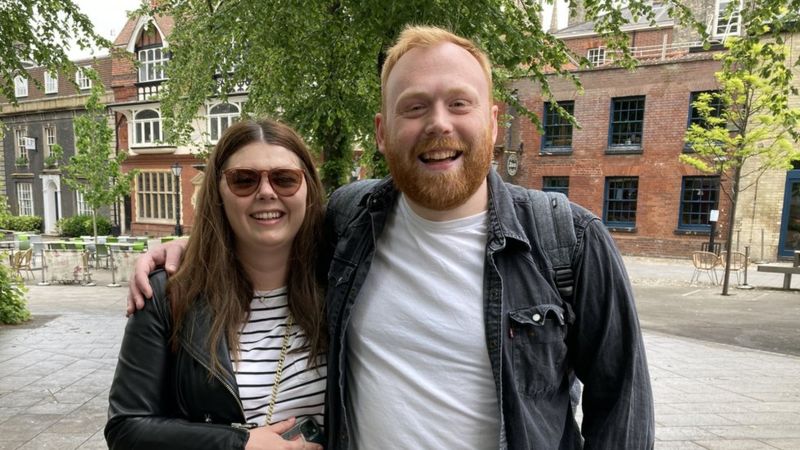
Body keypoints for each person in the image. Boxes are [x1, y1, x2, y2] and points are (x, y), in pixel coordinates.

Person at [128, 26, 655, 449]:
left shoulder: (569, 240)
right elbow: (267, 227)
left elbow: (622, 411)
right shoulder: (351, 219)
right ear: (382, 132)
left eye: (460, 103)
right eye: (414, 107)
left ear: (493, 122)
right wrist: (187, 249)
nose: (438, 124)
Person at [107, 118, 326, 450]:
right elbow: (126, 428)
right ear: (218, 193)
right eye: (243, 180)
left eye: (285, 179)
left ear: (307, 188)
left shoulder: (341, 282)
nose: (267, 192)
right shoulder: (166, 295)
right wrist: (236, 444)